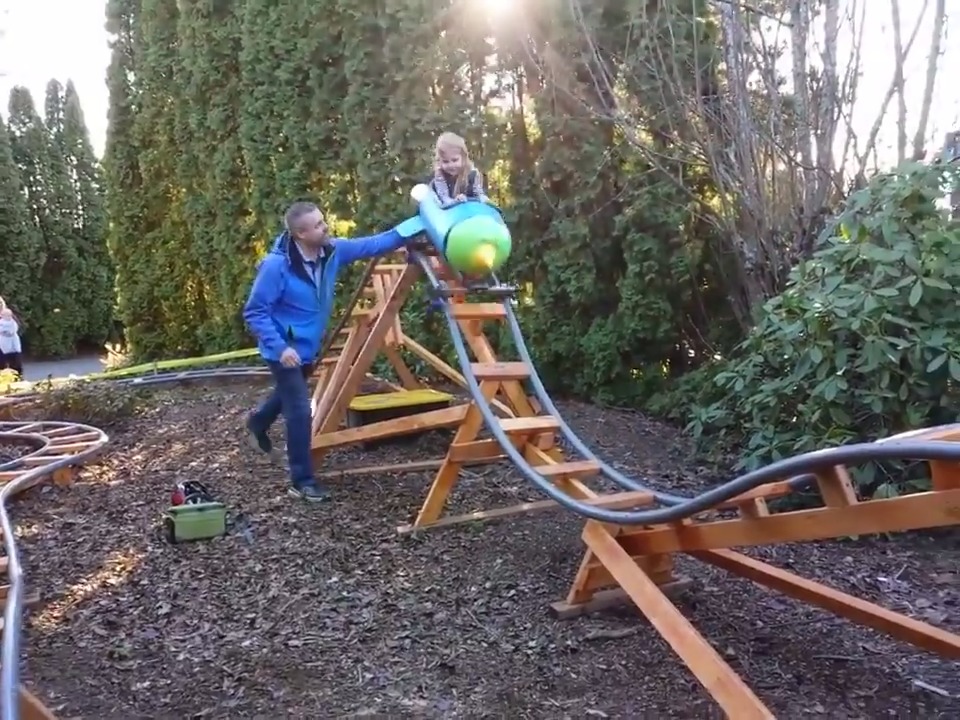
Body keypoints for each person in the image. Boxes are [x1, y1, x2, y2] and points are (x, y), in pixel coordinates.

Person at [243, 201, 410, 502]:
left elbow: (374, 244)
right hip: (282, 350)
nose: (325, 227)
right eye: (318, 225)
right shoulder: (276, 266)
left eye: (323, 221)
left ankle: (257, 423)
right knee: (299, 410)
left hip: (307, 347)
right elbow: (255, 312)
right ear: (300, 234)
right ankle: (302, 481)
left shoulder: (332, 251)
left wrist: (415, 226)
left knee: (286, 394)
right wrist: (281, 348)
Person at [430, 132, 489, 207]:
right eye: (445, 161)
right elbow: (444, 197)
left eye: (455, 160)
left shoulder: (472, 173)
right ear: (439, 161)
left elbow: (478, 192)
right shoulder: (440, 174)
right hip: (442, 206)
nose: (451, 165)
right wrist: (455, 201)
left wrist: (482, 198)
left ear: (463, 157)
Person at [0, 307, 23, 377]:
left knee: (14, 364)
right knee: (6, 363)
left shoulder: (13, 323)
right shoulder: (5, 323)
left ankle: (17, 376)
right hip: (8, 346)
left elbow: (13, 330)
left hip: (9, 346)